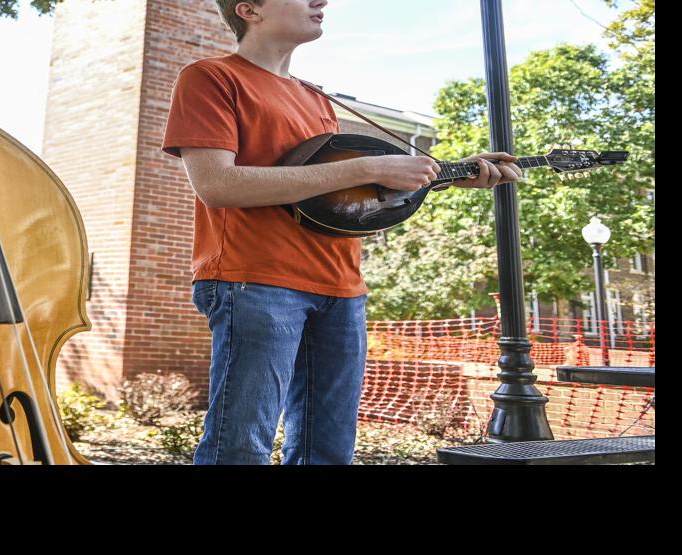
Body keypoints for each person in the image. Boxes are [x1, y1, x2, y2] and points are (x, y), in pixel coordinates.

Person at [161, 0, 519, 465]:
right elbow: (217, 185)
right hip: (254, 282)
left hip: (342, 286)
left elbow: (339, 199)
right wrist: (369, 165)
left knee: (328, 452)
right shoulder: (210, 77)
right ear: (249, 9)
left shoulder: (316, 98)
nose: (321, 1)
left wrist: (448, 174)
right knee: (239, 448)